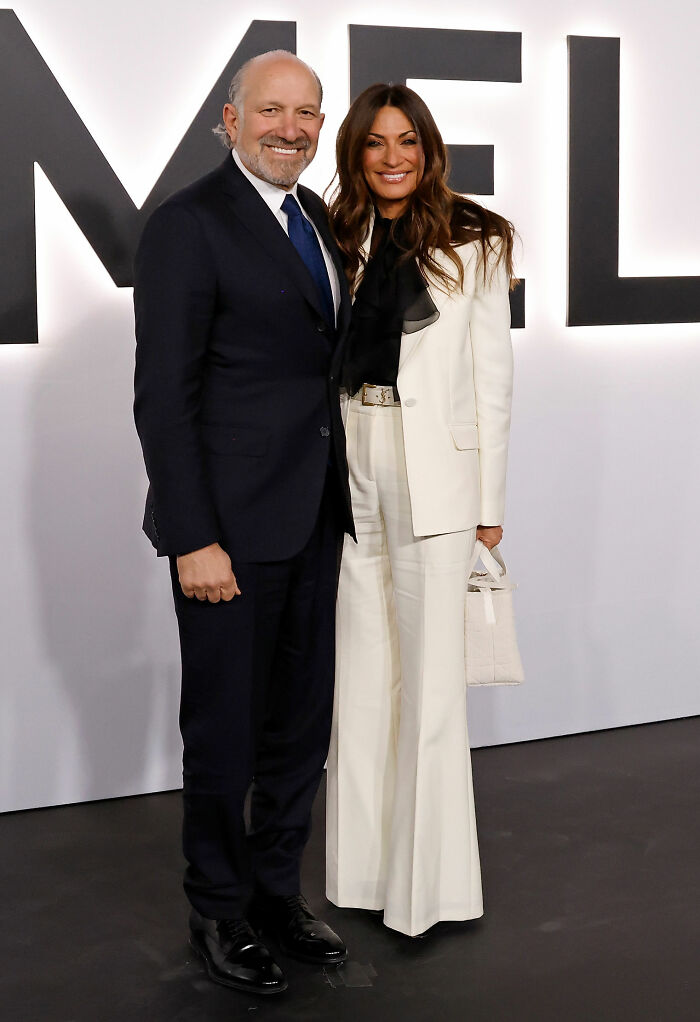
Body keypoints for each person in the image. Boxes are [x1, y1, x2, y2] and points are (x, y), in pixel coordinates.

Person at [133, 50, 355, 996]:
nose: (292, 129)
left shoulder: (316, 220)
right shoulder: (189, 224)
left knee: (299, 732)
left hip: (312, 518)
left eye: (307, 114)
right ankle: (219, 912)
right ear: (230, 119)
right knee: (224, 733)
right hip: (225, 533)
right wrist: (191, 536)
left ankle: (274, 894)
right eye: (272, 111)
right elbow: (163, 395)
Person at [325, 83, 516, 938]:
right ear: (357, 153)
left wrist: (489, 506)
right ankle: (360, 878)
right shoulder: (337, 232)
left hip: (436, 469)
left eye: (406, 141)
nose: (392, 157)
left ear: (429, 149)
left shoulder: (477, 240)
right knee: (362, 680)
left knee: (430, 685)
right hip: (351, 458)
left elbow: (493, 382)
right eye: (375, 143)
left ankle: (429, 894)